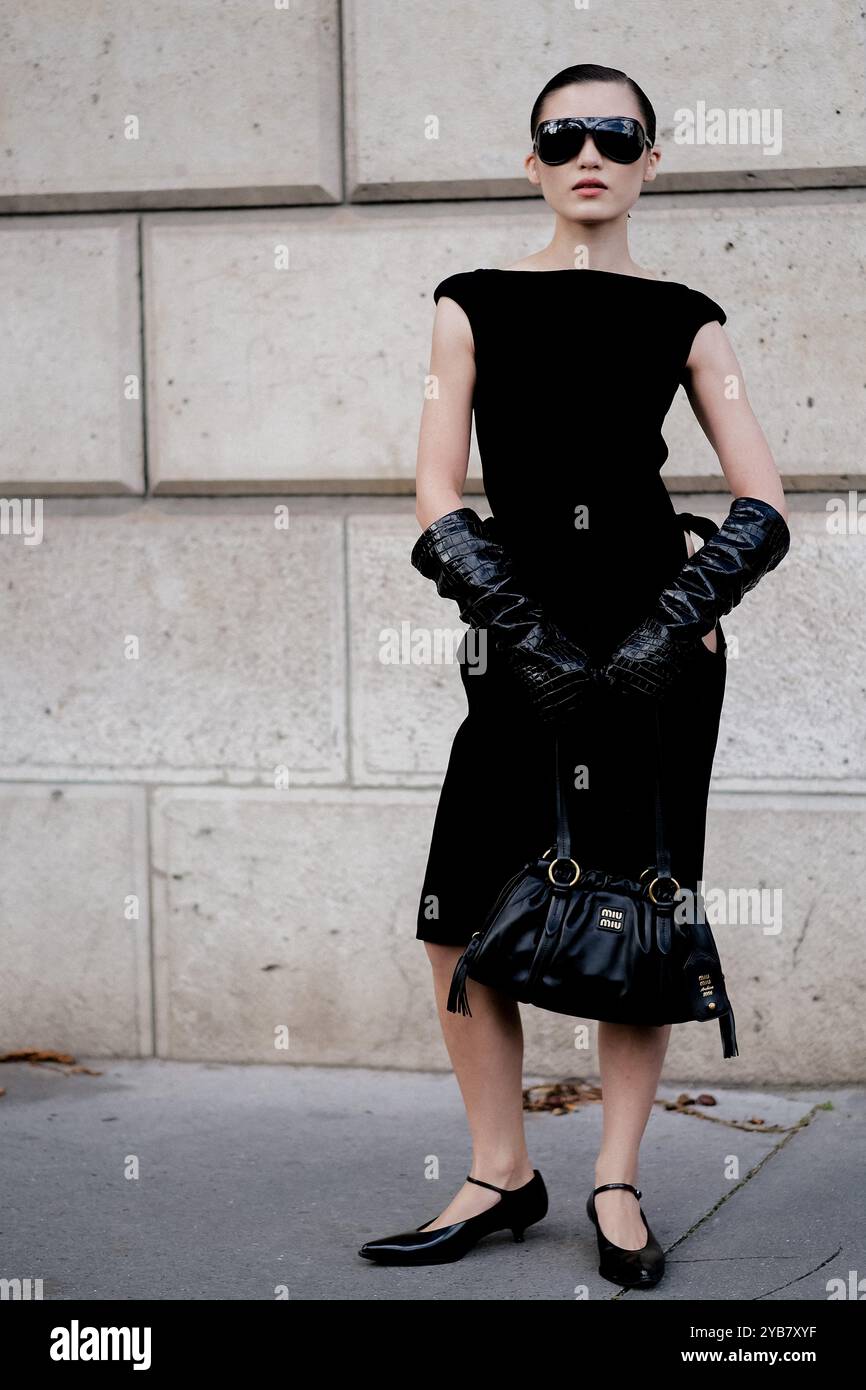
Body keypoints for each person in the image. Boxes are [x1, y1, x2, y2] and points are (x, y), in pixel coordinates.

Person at [358, 63, 789, 1287]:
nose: (588, 150)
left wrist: (675, 620)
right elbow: (437, 493)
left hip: (659, 642)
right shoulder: (469, 301)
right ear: (531, 160)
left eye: (616, 134)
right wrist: (523, 633)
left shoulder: (688, 315)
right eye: (564, 134)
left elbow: (763, 498)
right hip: (519, 638)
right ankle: (500, 1168)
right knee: (453, 913)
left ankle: (612, 1177)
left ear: (652, 159)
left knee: (637, 908)